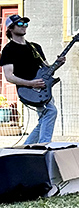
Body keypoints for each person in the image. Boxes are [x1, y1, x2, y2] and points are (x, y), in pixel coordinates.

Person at [1, 15, 64, 145]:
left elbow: (47, 69)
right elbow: (9, 77)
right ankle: (43, 145)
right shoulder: (8, 50)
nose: (24, 26)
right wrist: (30, 83)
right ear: (10, 28)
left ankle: (27, 147)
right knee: (51, 112)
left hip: (43, 89)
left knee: (44, 119)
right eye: (20, 24)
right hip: (28, 90)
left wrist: (58, 63)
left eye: (25, 24)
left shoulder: (35, 47)